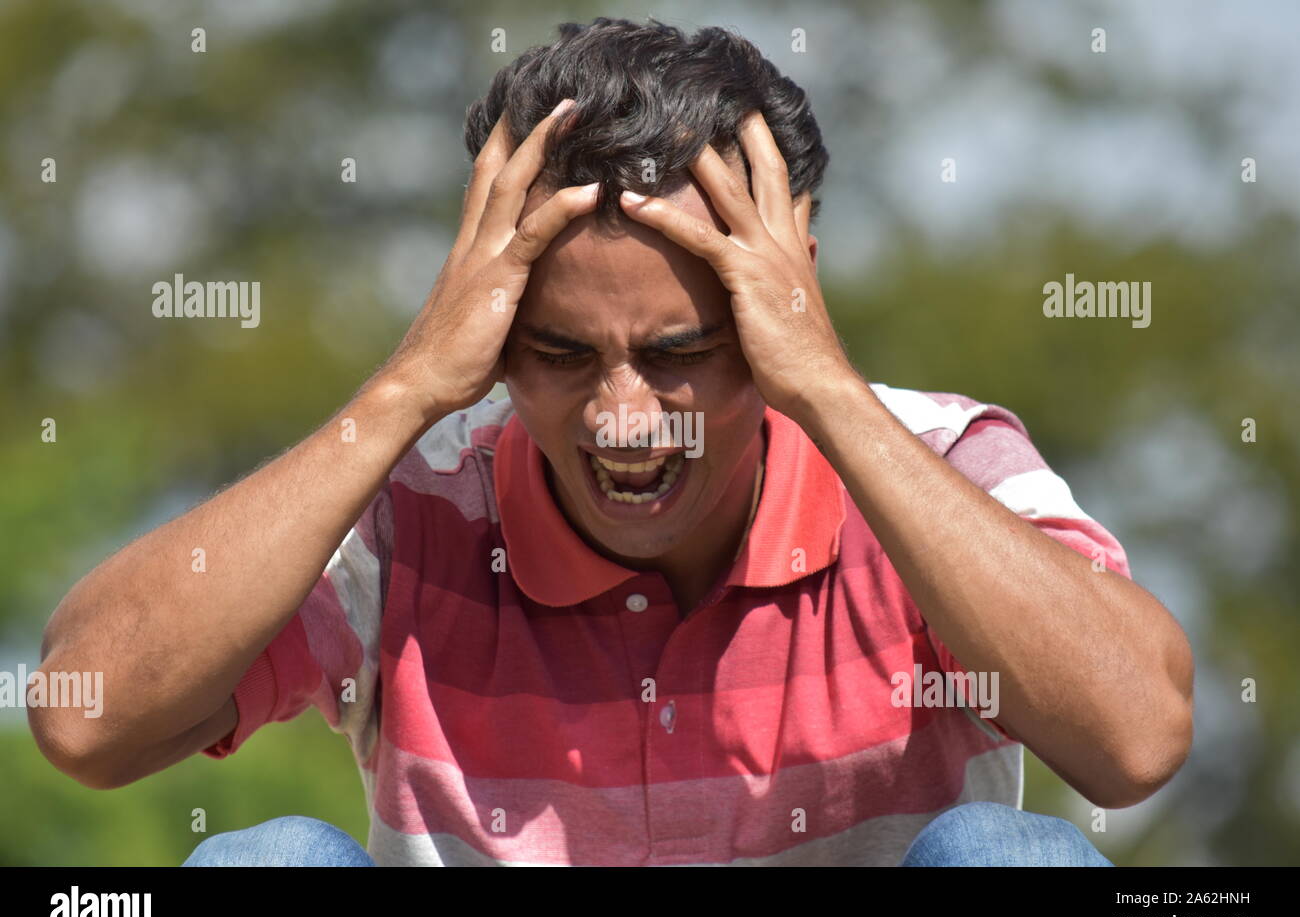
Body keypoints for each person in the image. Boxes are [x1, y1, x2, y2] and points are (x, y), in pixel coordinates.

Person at [30, 17, 1192, 867]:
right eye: (563, 354)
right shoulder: (417, 500)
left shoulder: (934, 462)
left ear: (785, 303)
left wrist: (829, 391)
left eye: (681, 352)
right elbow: (85, 718)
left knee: (1013, 858)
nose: (625, 415)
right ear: (489, 335)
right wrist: (402, 391)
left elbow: (1136, 739)